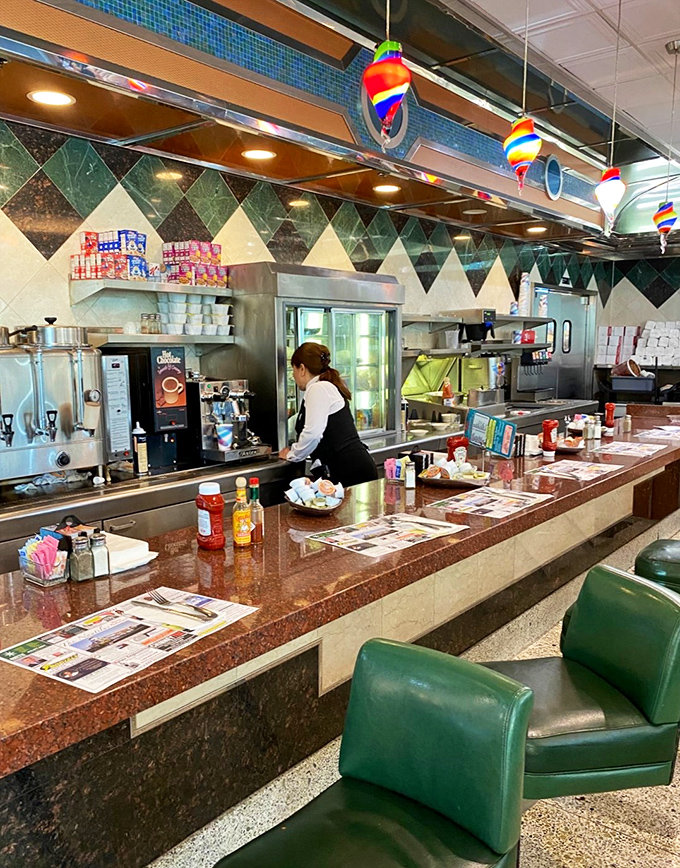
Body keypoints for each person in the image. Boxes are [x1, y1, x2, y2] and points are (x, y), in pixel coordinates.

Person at [279, 342, 378, 487]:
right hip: (352, 468)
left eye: (292, 369)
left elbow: (312, 434)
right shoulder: (324, 386)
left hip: (350, 471)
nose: (293, 375)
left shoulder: (318, 389)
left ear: (302, 369)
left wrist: (292, 455)